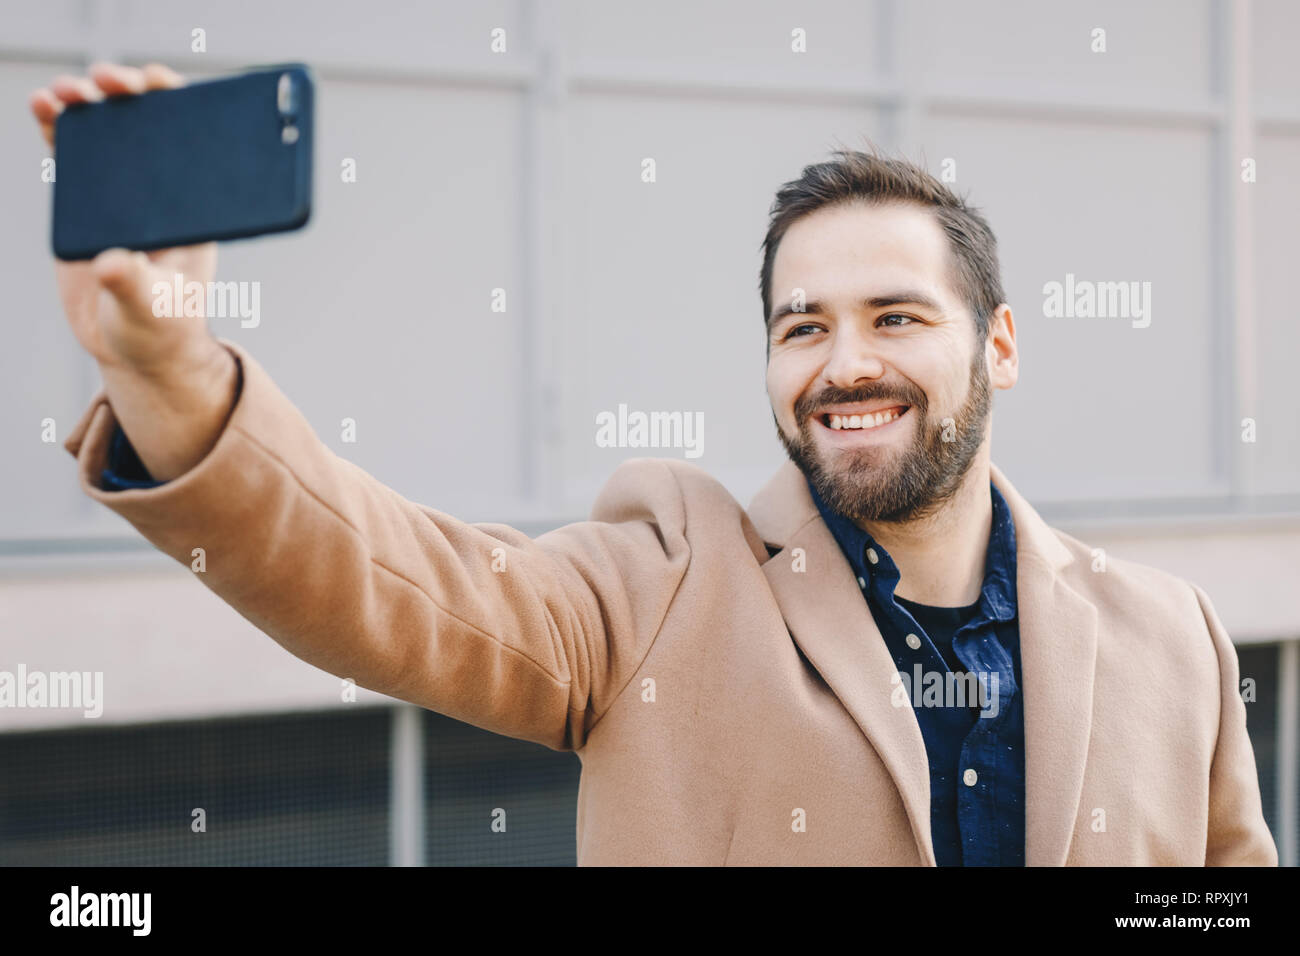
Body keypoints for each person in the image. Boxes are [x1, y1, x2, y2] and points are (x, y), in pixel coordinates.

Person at [31, 62, 1278, 866]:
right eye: (803, 326)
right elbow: (382, 581)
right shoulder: (660, 593)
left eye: (895, 317)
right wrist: (167, 370)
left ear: (998, 346)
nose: (843, 363)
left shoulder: (1175, 637)